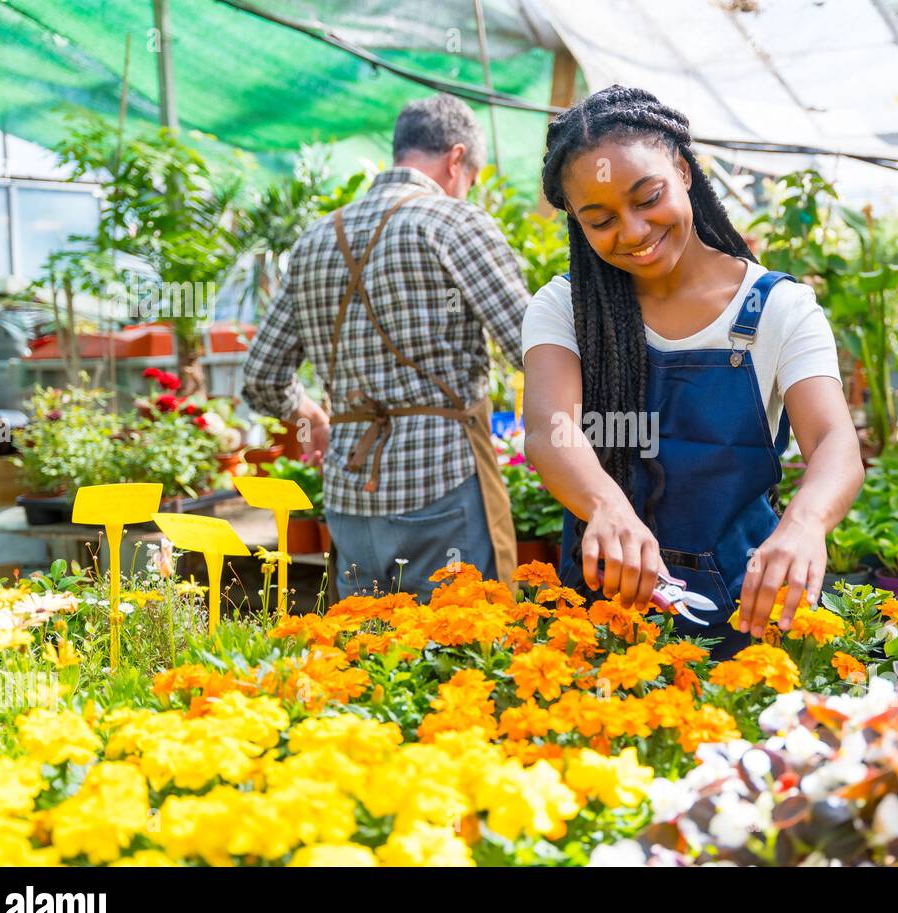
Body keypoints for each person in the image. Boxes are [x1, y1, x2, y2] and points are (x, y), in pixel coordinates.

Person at [521, 86, 864, 659]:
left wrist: (805, 524)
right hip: (601, 612)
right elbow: (550, 431)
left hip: (749, 606)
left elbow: (834, 441)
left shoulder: (778, 309)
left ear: (682, 170)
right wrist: (607, 507)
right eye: (600, 219)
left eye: (647, 197)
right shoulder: (564, 307)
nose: (631, 231)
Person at [242, 94, 529, 599]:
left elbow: (262, 377)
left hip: (350, 493)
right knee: (458, 655)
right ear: (456, 159)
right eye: (471, 181)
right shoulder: (453, 223)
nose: (466, 193)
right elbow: (532, 346)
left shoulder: (313, 241)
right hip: (443, 479)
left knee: (367, 659)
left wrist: (315, 416)